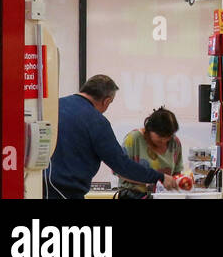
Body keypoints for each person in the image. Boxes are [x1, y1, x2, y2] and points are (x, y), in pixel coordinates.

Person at [47, 74, 177, 200]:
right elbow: (121, 165)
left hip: (36, 186)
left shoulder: (52, 106)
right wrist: (159, 177)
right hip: (65, 191)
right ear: (107, 101)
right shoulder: (96, 121)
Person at [118, 106, 185, 199]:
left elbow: (177, 173)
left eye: (168, 136)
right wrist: (154, 180)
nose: (164, 140)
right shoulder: (134, 139)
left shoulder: (175, 143)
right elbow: (120, 170)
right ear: (149, 129)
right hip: (134, 195)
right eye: (160, 136)